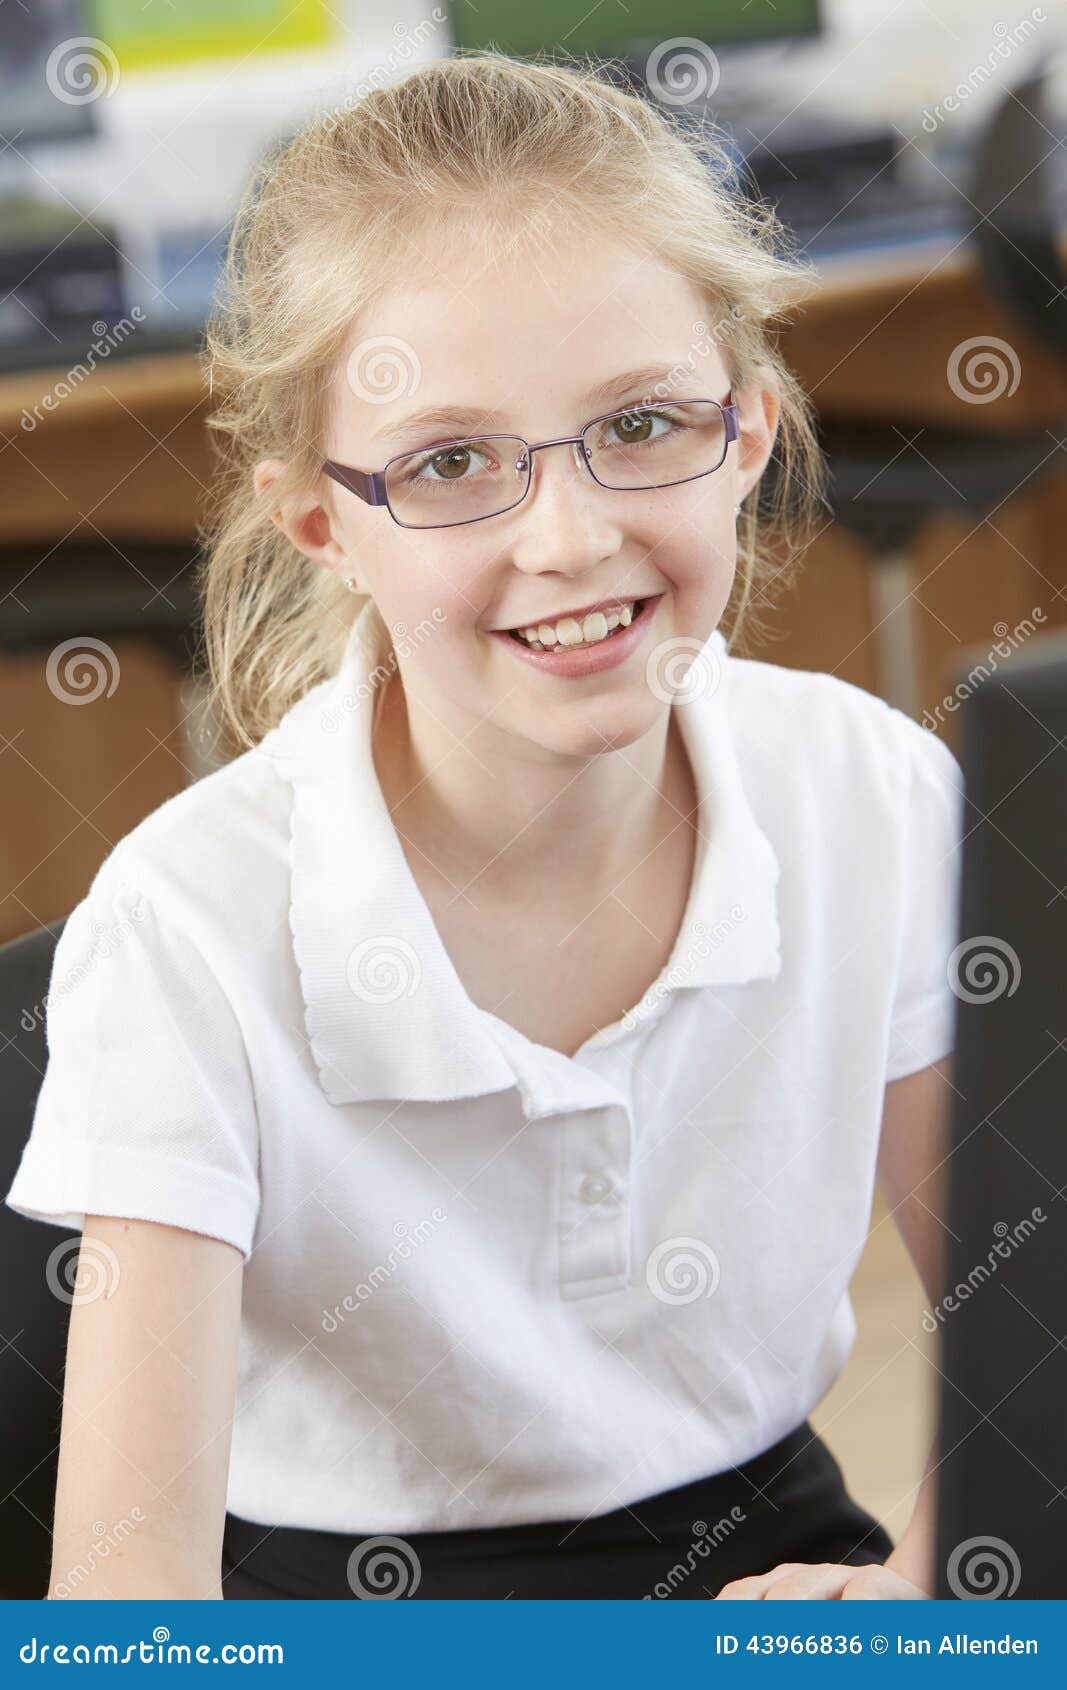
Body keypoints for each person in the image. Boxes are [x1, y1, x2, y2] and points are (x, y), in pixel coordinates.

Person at [6, 51, 962, 1601]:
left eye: (644, 424)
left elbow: (1027, 1338)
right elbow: (131, 1627)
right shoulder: (186, 928)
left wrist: (915, 1596)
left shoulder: (874, 795)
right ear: (322, 520)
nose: (571, 537)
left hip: (763, 1554)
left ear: (749, 433)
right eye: (452, 462)